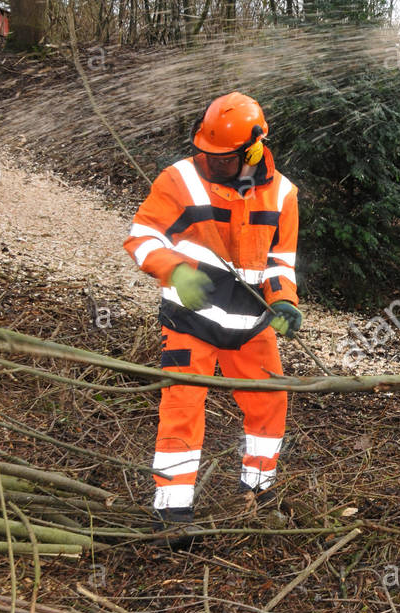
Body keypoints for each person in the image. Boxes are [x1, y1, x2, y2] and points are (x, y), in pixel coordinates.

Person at [124, 91, 303, 541]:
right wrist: (173, 270)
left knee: (269, 404)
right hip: (190, 318)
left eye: (222, 158)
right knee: (182, 408)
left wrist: (283, 301)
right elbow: (141, 237)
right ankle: (171, 513)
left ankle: (257, 495)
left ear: (253, 150)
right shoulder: (179, 179)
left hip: (250, 325)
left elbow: (281, 262)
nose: (210, 162)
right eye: (206, 152)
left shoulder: (283, 194)